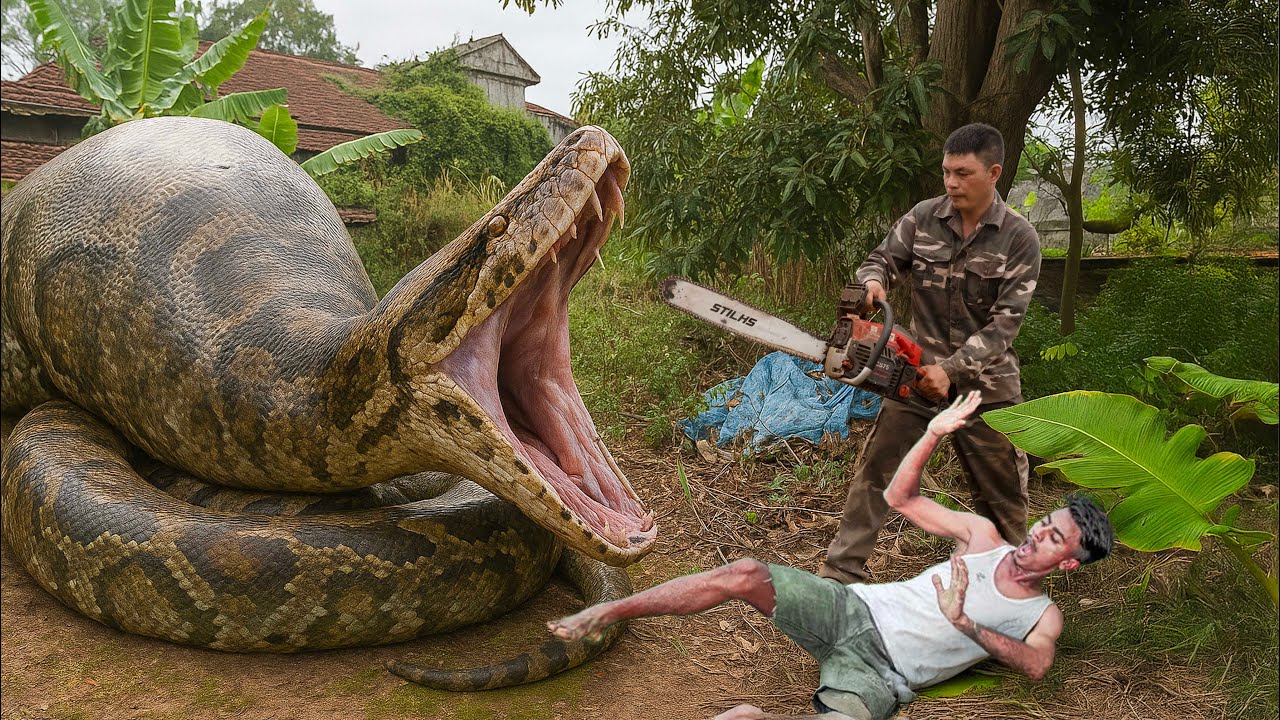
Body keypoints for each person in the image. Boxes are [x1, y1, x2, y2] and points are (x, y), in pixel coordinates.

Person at [547, 392, 1113, 720]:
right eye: (1046, 521)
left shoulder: (1040, 616)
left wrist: (963, 621)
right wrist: (934, 432)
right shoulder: (985, 537)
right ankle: (607, 612)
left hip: (880, 671)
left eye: (1055, 538)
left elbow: (1037, 665)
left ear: (1068, 562)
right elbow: (900, 498)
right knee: (746, 572)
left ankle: (751, 717)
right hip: (850, 609)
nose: (1039, 533)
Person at [820, 122, 1043, 585]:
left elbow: (1005, 324)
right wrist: (872, 283)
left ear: (994, 172)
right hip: (915, 375)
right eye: (946, 172)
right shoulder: (923, 218)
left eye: (963, 173)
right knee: (877, 472)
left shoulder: (1019, 238)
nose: (951, 183)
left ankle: (1007, 592)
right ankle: (840, 578)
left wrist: (953, 369)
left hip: (986, 388)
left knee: (1000, 496)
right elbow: (880, 259)